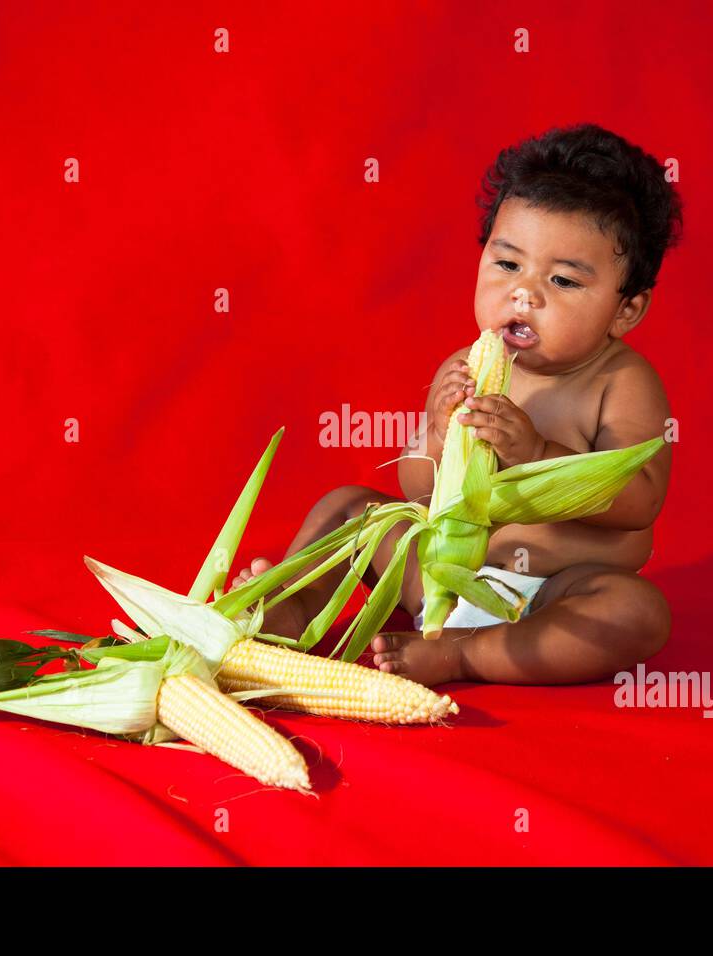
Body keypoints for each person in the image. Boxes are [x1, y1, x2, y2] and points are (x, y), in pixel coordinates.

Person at [232, 123, 681, 687]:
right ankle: (290, 609)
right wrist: (441, 436)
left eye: (563, 280)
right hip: (444, 574)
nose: (525, 294)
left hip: (551, 593)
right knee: (350, 506)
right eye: (508, 264)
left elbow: (639, 500)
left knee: (636, 612)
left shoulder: (621, 380)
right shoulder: (467, 365)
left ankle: (464, 654)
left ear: (626, 310)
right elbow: (419, 491)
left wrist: (535, 452)